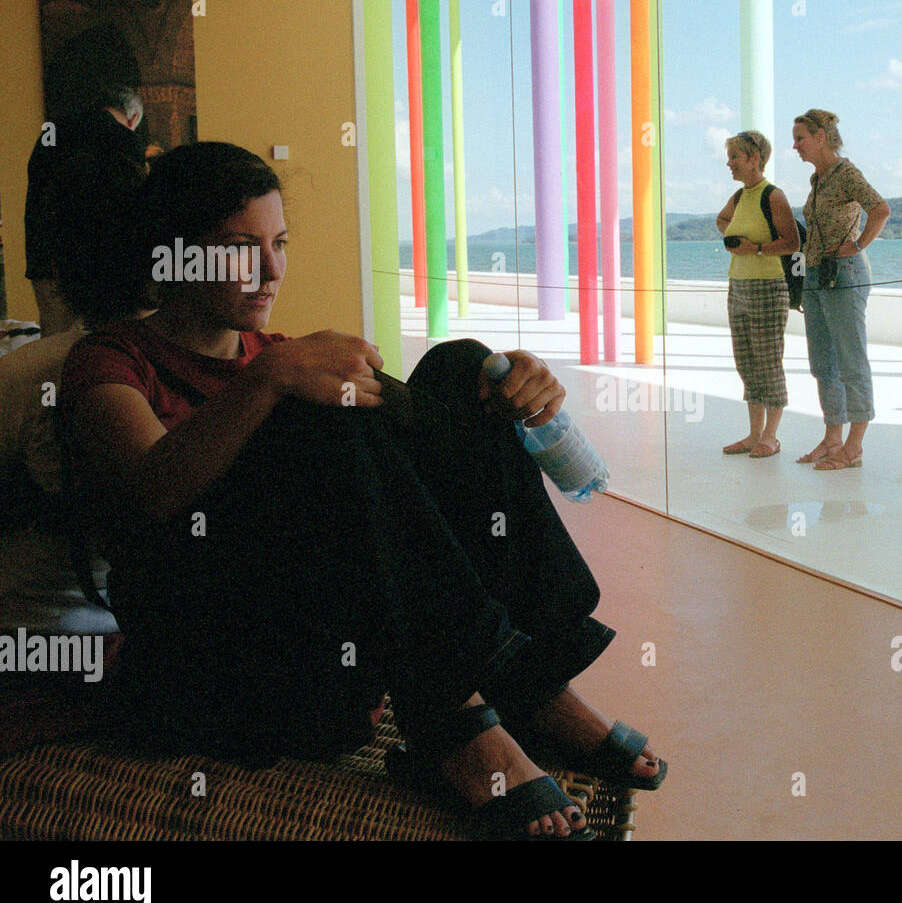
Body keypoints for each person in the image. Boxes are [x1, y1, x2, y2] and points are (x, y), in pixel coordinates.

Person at [59, 142, 665, 840]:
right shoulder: (110, 361)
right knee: (320, 415)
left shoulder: (276, 357)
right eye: (237, 248)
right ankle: (460, 724)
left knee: (461, 368)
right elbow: (144, 494)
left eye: (279, 243)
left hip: (320, 635)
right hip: (211, 663)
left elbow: (414, 454)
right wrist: (270, 382)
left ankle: (535, 679)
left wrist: (506, 391)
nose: (271, 270)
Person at [1, 149, 148, 635]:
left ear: (60, 275)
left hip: (35, 626)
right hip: (151, 630)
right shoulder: (191, 363)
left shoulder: (24, 371)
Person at [25, 24, 148, 336]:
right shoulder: (124, 140)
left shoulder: (51, 133)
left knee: (55, 342)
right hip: (97, 261)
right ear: (133, 118)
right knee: (106, 347)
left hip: (44, 257)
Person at [791, 109, 890, 470]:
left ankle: (854, 445)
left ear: (820, 137)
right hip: (816, 275)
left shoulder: (846, 173)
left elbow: (880, 210)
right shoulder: (818, 179)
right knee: (823, 363)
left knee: (851, 361)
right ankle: (833, 437)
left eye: (800, 138)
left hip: (844, 275)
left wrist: (859, 243)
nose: (795, 145)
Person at [714, 130, 800, 459]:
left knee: (768, 363)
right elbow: (722, 220)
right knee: (746, 363)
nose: (729, 162)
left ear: (754, 159)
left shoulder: (772, 195)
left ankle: (771, 437)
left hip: (768, 287)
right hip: (738, 286)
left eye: (735, 156)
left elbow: (792, 243)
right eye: (730, 156)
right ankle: (753, 435)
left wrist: (757, 249)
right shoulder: (739, 197)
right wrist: (734, 237)